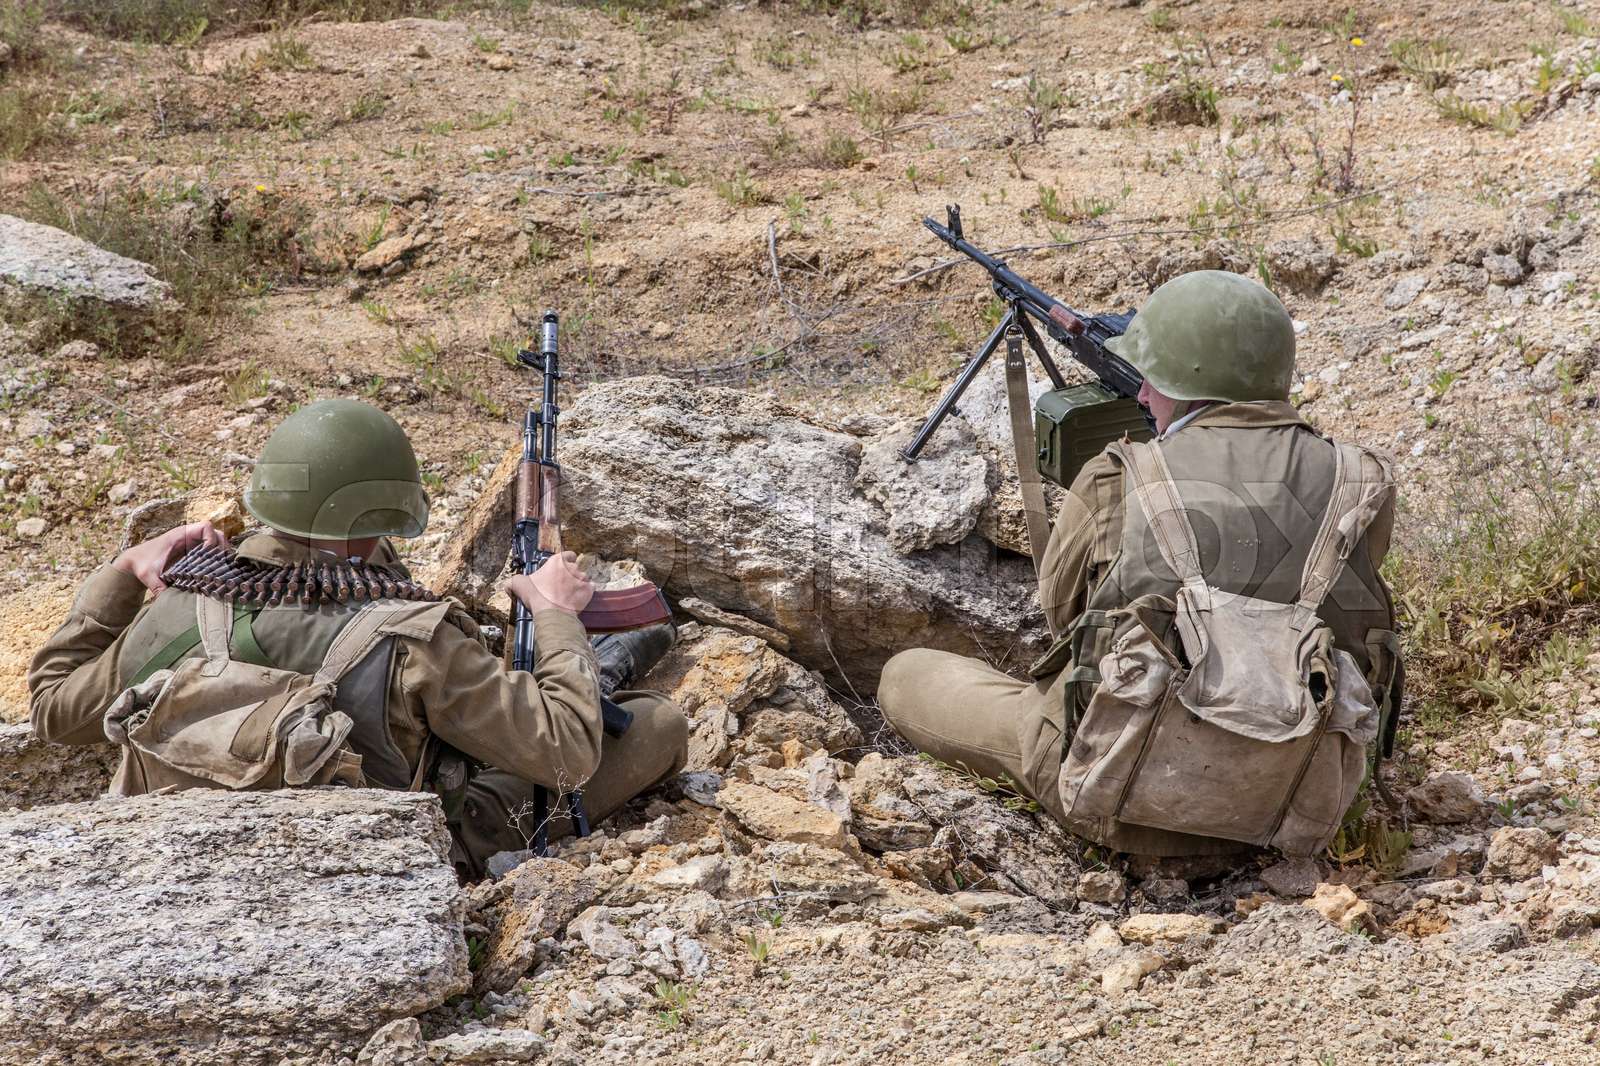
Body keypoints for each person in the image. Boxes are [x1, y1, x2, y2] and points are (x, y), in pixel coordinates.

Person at [29, 398, 687, 878]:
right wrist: (554, 614)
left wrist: (124, 570)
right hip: (378, 867)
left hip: (186, 852)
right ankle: (588, 677)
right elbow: (566, 756)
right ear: (361, 527)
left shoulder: (178, 602)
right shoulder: (414, 643)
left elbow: (54, 710)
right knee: (653, 724)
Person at [877, 270, 1401, 856]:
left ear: (1183, 382)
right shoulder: (1362, 482)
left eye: (1150, 380)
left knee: (905, 673)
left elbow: (1062, 616)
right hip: (1303, 792)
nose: (1143, 397)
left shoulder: (1120, 474)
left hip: (1122, 793)